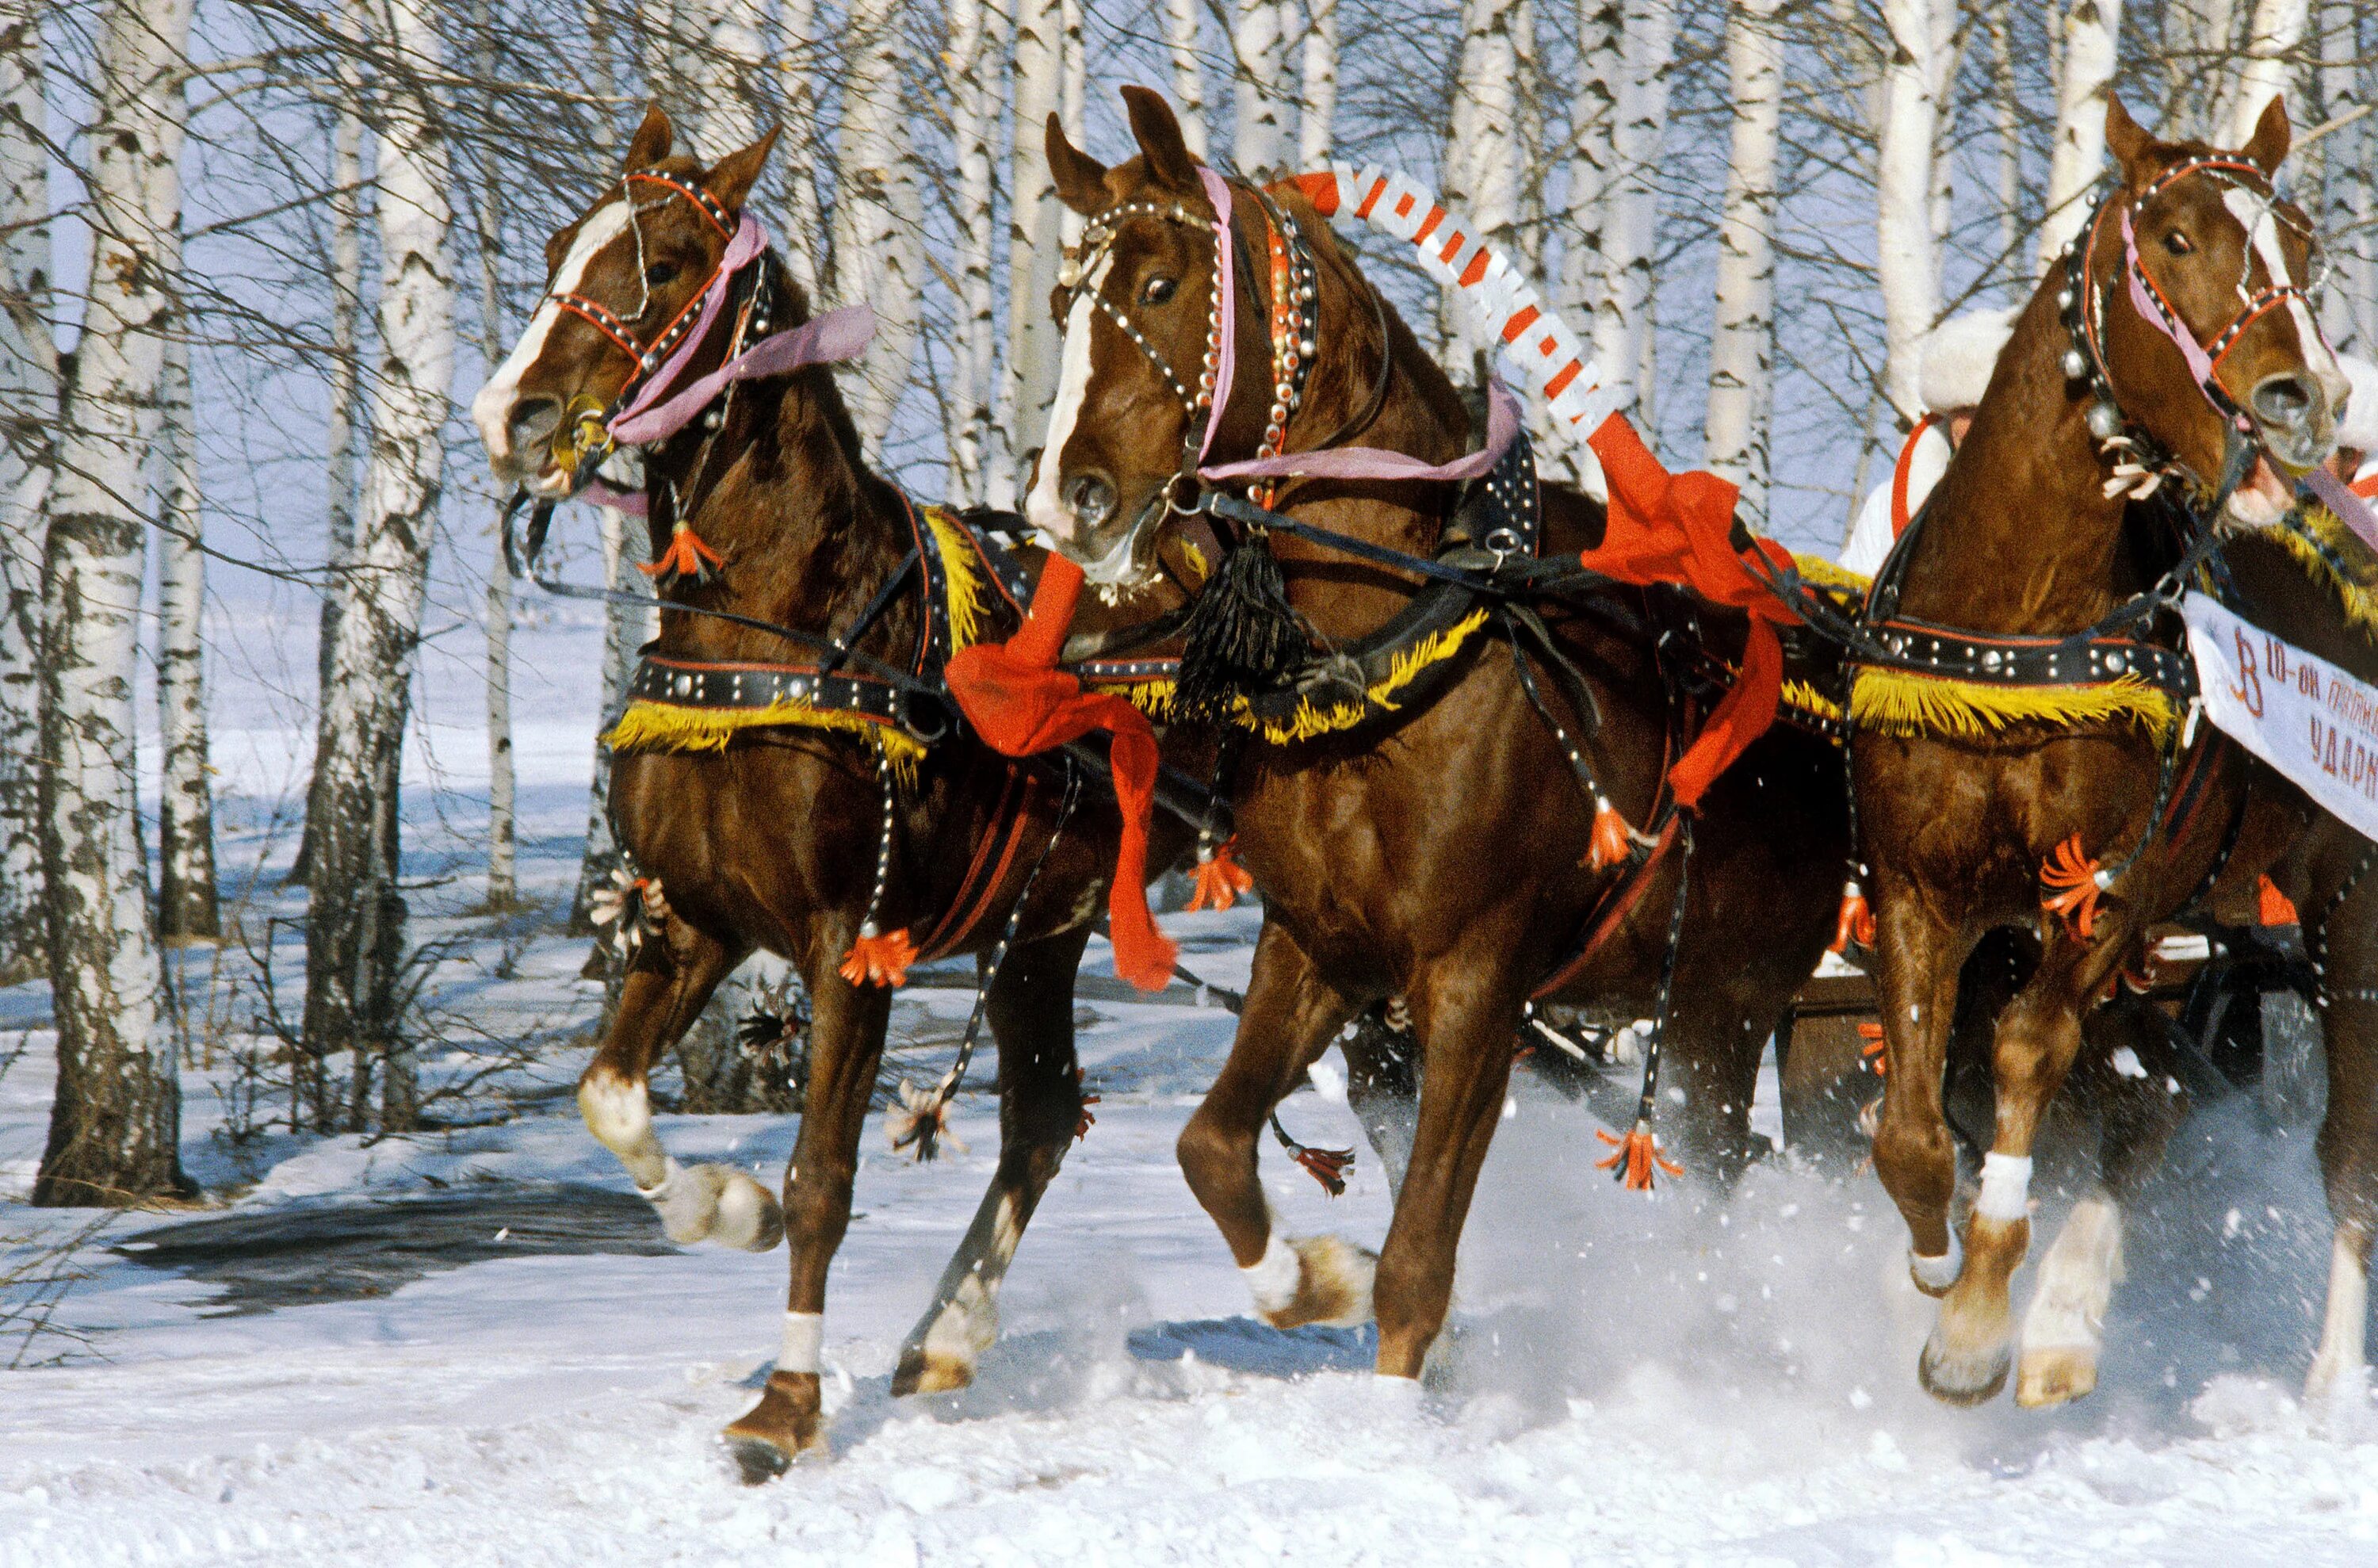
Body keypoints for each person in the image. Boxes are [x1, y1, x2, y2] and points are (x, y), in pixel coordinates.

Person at [1839, 308, 2017, 576]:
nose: (1968, 428)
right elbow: (1854, 593)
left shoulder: (2037, 503)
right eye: (1960, 412)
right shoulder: (1884, 506)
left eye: (1980, 413)